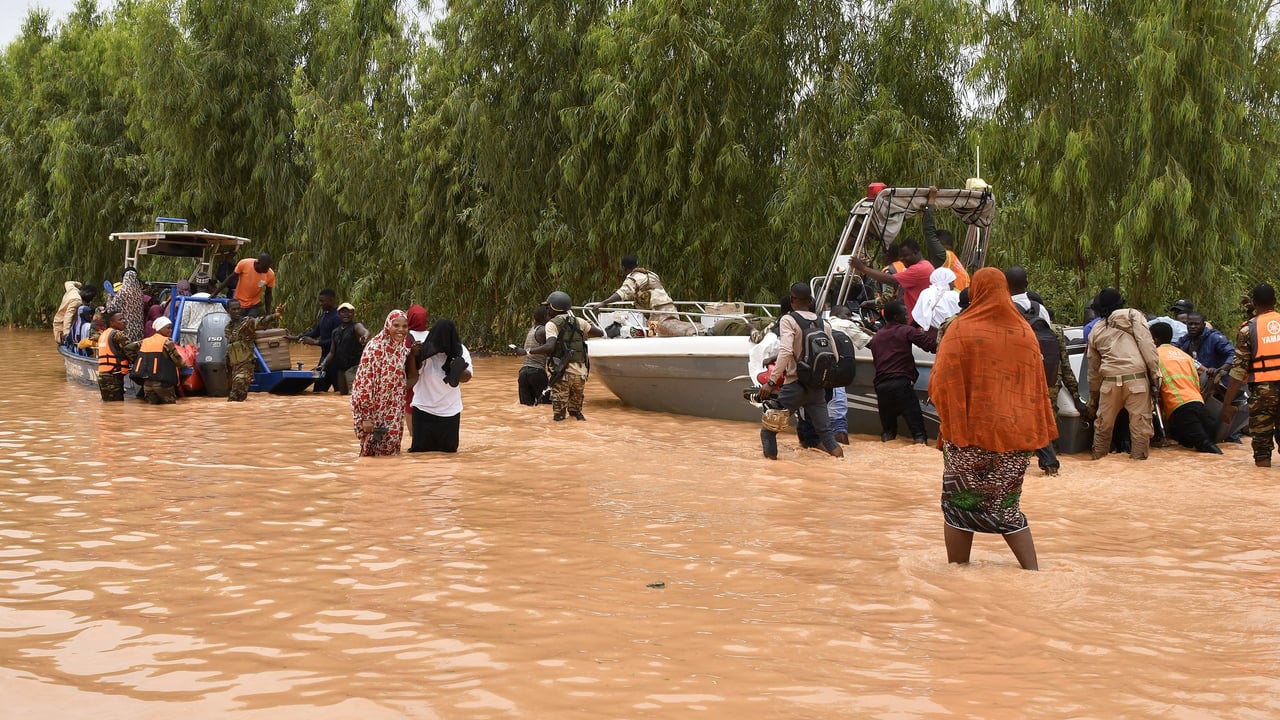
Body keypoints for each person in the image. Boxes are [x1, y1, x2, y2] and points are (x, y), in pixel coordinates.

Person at [928, 268, 1055, 571]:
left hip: (968, 434)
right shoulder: (1024, 332)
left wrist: (953, 422)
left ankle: (958, 572)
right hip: (1015, 436)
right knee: (1006, 504)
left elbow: (940, 384)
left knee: (959, 502)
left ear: (975, 291)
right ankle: (1032, 571)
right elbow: (1038, 386)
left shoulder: (960, 329)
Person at [754, 282, 845, 459]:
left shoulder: (788, 320)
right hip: (817, 389)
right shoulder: (823, 323)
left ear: (792, 299)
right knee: (827, 437)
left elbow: (787, 351)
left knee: (768, 432)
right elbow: (835, 356)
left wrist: (771, 383)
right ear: (811, 300)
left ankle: (769, 475)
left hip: (794, 386)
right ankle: (841, 466)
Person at [1086, 288, 1162, 460]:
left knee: (1103, 427)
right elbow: (1147, 346)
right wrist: (1155, 375)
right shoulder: (1132, 315)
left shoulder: (1095, 330)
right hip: (1137, 381)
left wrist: (1094, 396)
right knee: (1140, 428)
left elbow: (1093, 368)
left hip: (1109, 383)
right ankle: (1138, 466)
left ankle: (1097, 461)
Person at [1221, 283, 1280, 467]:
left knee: (1262, 447)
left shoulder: (1248, 329)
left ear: (1254, 303)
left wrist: (1227, 404)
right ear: (1275, 301)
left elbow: (1238, 371)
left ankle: (1261, 482)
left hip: (1263, 392)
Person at [527, 291, 604, 421]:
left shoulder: (551, 324)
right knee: (576, 413)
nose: (547, 309)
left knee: (559, 416)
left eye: (548, 306)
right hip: (580, 374)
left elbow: (550, 347)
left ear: (553, 308)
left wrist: (527, 351)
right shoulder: (580, 322)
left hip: (562, 374)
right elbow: (600, 333)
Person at [869, 300, 938, 443]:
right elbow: (931, 346)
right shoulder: (906, 330)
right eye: (905, 315)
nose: (908, 318)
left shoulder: (876, 338)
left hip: (881, 388)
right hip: (902, 386)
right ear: (896, 317)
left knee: (888, 433)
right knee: (918, 434)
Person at [1150, 322, 1222, 454]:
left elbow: (1155, 385)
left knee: (1205, 445)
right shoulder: (1184, 355)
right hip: (1198, 403)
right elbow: (1200, 375)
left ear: (1155, 340)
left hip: (1179, 406)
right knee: (1191, 442)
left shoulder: (1154, 356)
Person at [349, 310, 412, 456]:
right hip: (374, 411)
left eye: (404, 326)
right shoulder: (374, 348)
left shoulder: (402, 347)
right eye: (396, 325)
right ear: (388, 326)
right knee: (371, 451)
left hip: (394, 410)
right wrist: (366, 416)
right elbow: (363, 383)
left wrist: (413, 353)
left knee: (392, 450)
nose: (401, 330)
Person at [586, 255, 696, 337]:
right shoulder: (650, 274)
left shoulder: (633, 278)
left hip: (657, 313)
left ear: (624, 268)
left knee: (654, 335)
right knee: (672, 331)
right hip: (670, 308)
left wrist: (603, 303)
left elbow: (621, 294)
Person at [408, 319, 473, 453]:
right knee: (419, 455)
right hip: (423, 410)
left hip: (450, 412)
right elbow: (413, 376)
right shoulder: (424, 351)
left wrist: (458, 369)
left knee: (449, 455)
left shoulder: (461, 351)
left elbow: (467, 377)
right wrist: (413, 357)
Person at [851, 238, 936, 320]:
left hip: (904, 318)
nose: (902, 259)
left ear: (915, 252)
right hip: (915, 318)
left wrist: (862, 268)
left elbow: (889, 288)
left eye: (906, 255)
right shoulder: (925, 265)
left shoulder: (917, 269)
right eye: (901, 256)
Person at [225, 300, 285, 402]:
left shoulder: (247, 323)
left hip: (246, 366)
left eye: (238, 309)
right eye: (234, 309)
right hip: (235, 366)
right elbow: (230, 349)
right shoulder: (228, 328)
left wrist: (276, 314)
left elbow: (262, 321)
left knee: (235, 397)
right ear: (228, 311)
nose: (237, 311)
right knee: (235, 399)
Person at [128, 316, 190, 404]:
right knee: (170, 410)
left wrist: (136, 359)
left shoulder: (145, 341)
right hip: (163, 384)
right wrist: (187, 366)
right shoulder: (167, 342)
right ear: (160, 328)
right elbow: (178, 361)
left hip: (147, 385)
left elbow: (128, 347)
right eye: (168, 328)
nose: (170, 330)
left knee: (152, 411)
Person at [292, 289, 341, 392]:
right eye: (320, 301)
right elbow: (315, 333)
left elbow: (336, 341)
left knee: (340, 392)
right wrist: (297, 337)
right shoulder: (324, 315)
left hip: (335, 361)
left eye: (323, 301)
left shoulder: (337, 317)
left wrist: (316, 342)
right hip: (323, 359)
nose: (320, 304)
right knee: (318, 391)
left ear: (332, 300)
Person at [318, 302, 368, 395]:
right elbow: (332, 352)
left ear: (353, 313)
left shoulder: (356, 326)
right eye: (343, 312)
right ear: (338, 314)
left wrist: (364, 337)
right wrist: (324, 364)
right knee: (343, 394)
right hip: (341, 368)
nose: (346, 314)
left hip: (354, 367)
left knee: (352, 394)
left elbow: (366, 332)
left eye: (349, 312)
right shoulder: (335, 332)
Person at [1175, 311, 1235, 381]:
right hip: (1197, 381)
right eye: (1190, 324)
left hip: (1218, 382)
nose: (1193, 327)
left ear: (1203, 325)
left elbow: (1232, 354)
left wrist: (1220, 370)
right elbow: (1174, 347)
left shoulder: (1215, 338)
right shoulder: (1186, 339)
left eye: (1196, 324)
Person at [95, 311, 135, 402]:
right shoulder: (118, 334)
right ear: (112, 323)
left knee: (108, 403)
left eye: (123, 319)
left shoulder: (103, 335)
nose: (124, 321)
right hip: (114, 376)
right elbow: (130, 352)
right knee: (117, 404)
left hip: (103, 375)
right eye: (120, 320)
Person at [515, 304, 551, 406]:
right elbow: (550, 347)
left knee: (526, 407)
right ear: (545, 317)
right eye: (550, 315)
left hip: (523, 372)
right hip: (537, 372)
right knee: (545, 405)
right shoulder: (544, 330)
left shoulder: (532, 329)